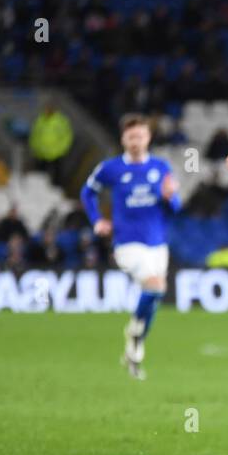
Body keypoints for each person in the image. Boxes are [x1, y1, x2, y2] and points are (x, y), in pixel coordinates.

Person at [80, 114, 179, 378]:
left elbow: (176, 207)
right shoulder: (111, 168)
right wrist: (97, 220)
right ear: (123, 138)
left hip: (157, 244)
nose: (135, 141)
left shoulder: (160, 167)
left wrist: (170, 197)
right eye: (130, 136)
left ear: (148, 138)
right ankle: (134, 329)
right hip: (127, 243)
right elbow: (87, 192)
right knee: (156, 286)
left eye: (140, 136)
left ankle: (134, 351)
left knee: (155, 297)